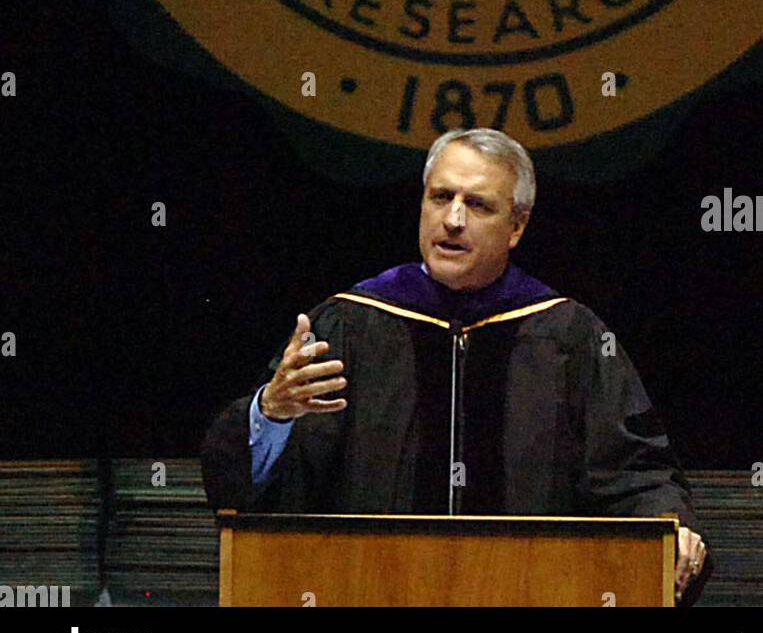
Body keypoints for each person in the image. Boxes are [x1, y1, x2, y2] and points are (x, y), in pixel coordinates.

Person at [201, 128, 712, 604]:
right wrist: (271, 412)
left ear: (517, 226)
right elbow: (258, 492)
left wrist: (669, 527)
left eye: (478, 204)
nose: (453, 219)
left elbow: (633, 470)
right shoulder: (349, 324)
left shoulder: (568, 337)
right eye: (441, 197)